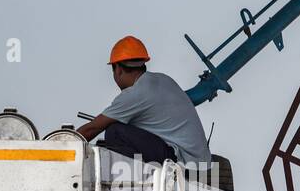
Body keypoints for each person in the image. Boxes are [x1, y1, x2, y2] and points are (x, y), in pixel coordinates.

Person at [77, 36, 212, 167]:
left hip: (184, 164)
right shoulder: (164, 79)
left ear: (117, 69)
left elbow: (93, 128)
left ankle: (129, 183)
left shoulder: (134, 94)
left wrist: (62, 143)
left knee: (114, 131)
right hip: (201, 162)